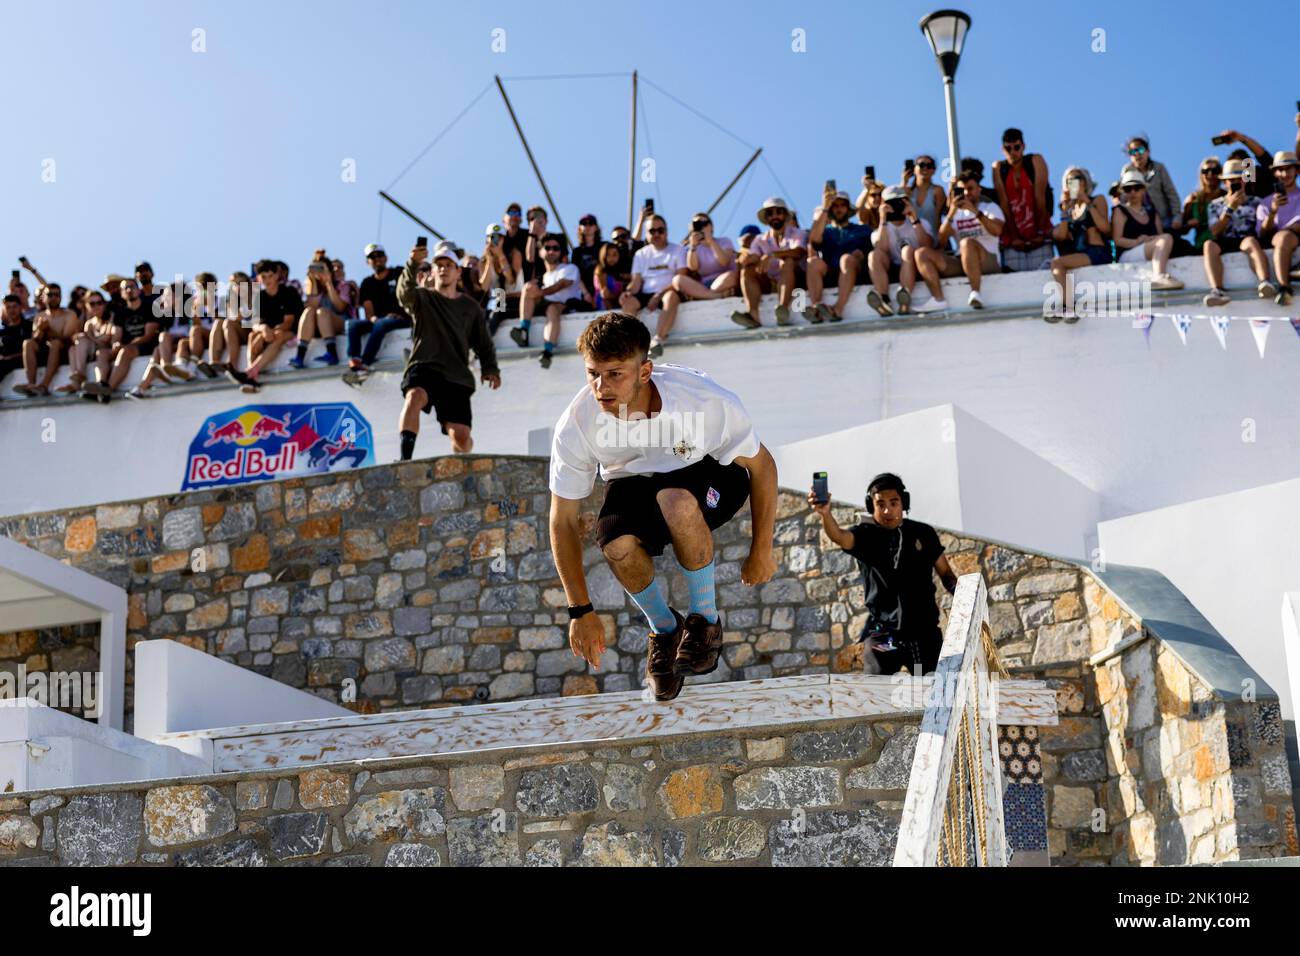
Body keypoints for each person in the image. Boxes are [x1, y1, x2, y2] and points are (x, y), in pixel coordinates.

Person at [547, 312, 777, 702]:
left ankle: (704, 621)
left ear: (644, 371)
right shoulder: (577, 422)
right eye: (593, 373)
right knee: (615, 543)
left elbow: (763, 467)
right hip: (632, 480)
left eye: (615, 374)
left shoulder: (701, 400)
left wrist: (762, 550)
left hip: (707, 471)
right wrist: (579, 610)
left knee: (676, 501)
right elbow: (563, 520)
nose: (601, 387)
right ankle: (665, 629)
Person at [808, 473, 957, 676]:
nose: (887, 510)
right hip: (885, 637)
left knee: (935, 692)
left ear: (903, 502)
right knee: (878, 691)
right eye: (880, 504)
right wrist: (825, 514)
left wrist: (964, 597)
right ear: (872, 506)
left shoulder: (923, 533)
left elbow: (946, 573)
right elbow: (839, 536)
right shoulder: (864, 536)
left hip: (923, 634)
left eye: (894, 502)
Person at [396, 241, 500, 458]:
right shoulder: (423, 298)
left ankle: (459, 455)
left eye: (448, 265)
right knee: (414, 396)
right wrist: (413, 263)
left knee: (461, 437)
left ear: (457, 271)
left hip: (456, 374)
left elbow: (483, 342)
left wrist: (490, 367)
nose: (443, 269)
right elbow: (403, 294)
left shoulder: (470, 307)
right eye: (439, 265)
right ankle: (404, 461)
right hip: (425, 365)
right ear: (433, 270)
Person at [915, 170, 1005, 313]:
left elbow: (997, 230)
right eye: (962, 189)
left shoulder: (990, 207)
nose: (966, 193)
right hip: (963, 261)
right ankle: (938, 300)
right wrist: (951, 212)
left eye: (970, 188)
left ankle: (976, 293)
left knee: (966, 243)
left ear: (979, 189)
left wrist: (975, 211)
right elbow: (941, 243)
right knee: (922, 254)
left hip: (988, 260)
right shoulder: (956, 213)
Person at [510, 234, 592, 368]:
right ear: (541, 252)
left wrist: (541, 292)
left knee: (552, 309)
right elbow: (527, 292)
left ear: (561, 251)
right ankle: (523, 329)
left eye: (555, 248)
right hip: (543, 304)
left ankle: (547, 351)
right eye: (547, 248)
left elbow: (561, 284)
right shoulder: (542, 277)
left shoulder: (569, 268)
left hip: (564, 305)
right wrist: (504, 297)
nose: (551, 251)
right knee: (528, 287)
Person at [225, 260, 305, 393]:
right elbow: (255, 323)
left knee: (278, 336)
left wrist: (268, 333)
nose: (267, 280)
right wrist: (263, 330)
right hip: (268, 332)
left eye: (270, 276)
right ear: (258, 278)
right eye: (263, 277)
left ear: (276, 276)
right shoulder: (259, 297)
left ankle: (250, 372)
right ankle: (252, 378)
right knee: (252, 336)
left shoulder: (288, 292)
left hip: (291, 332)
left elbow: (288, 322)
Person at [1201, 158, 1272, 306]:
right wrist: (1230, 208)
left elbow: (1261, 230)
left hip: (1248, 239)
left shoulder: (1256, 201)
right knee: (1209, 245)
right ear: (1225, 182)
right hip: (1224, 240)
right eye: (1230, 179)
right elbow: (1215, 231)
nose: (1235, 182)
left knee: (1251, 242)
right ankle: (1217, 290)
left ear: (1245, 180)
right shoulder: (1215, 205)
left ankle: (1265, 282)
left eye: (1238, 179)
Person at [1046, 167, 1112, 321]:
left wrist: (1086, 201)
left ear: (1085, 181)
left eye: (1077, 179)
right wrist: (1064, 210)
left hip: (1097, 252)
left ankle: (1068, 307)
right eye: (1069, 181)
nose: (1073, 184)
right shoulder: (1070, 211)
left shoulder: (1097, 200)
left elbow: (1105, 228)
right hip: (1079, 254)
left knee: (1057, 263)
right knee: (1057, 262)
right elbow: (1061, 235)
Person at [731, 197, 807, 329]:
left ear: (785, 215)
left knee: (787, 262)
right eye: (770, 214)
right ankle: (753, 315)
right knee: (747, 271)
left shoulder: (798, 233)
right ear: (766, 219)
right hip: (770, 282)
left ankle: (783, 309)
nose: (774, 216)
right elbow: (754, 257)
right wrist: (746, 259)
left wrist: (772, 255)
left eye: (778, 212)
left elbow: (798, 252)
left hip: (798, 282)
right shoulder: (760, 240)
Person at [618, 215, 686, 358]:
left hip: (669, 289)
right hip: (646, 292)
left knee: (671, 298)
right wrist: (628, 292)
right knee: (628, 303)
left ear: (666, 232)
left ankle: (658, 340)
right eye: (651, 231)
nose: (656, 234)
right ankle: (632, 345)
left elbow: (682, 277)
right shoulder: (640, 254)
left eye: (660, 230)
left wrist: (659, 295)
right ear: (646, 234)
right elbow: (636, 282)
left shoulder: (678, 250)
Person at [344, 243, 411, 383]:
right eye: (372, 257)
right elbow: (369, 311)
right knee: (353, 324)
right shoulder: (367, 283)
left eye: (379, 255)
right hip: (380, 321)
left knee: (381, 323)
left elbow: (411, 292)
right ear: (367, 262)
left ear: (386, 257)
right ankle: (355, 361)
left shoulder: (399, 272)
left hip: (403, 319)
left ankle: (365, 364)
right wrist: (374, 318)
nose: (377, 259)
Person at [82, 278, 158, 399]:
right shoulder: (120, 313)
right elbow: (117, 334)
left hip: (145, 346)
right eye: (125, 288)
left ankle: (108, 389)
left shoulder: (149, 308)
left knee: (125, 351)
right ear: (121, 293)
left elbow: (148, 335)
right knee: (102, 353)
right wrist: (116, 344)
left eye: (132, 287)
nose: (129, 290)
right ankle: (101, 383)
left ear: (138, 290)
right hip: (126, 347)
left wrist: (126, 345)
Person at [992, 128, 1053, 272]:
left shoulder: (1035, 161)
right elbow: (1004, 204)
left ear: (1023, 147)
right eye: (1008, 148)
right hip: (1013, 237)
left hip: (1039, 230)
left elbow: (1040, 197)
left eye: (1016, 147)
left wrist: (1039, 233)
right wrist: (1014, 237)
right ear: (1003, 149)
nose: (1012, 152)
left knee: (1045, 279)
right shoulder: (999, 168)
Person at [806, 188, 872, 321]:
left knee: (846, 259)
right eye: (835, 206)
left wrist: (861, 255)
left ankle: (838, 308)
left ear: (848, 209)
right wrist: (825, 208)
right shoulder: (826, 231)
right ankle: (816, 309)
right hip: (830, 271)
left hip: (854, 271)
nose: (839, 209)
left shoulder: (862, 230)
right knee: (812, 262)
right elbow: (813, 240)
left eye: (842, 205)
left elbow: (872, 251)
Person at [1112, 171, 1184, 290]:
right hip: (1127, 255)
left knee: (1166, 238)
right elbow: (1117, 240)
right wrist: (1138, 242)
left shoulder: (1152, 213)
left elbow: (1160, 237)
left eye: (1137, 187)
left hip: (1148, 251)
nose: (1133, 192)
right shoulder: (1119, 211)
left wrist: (1149, 240)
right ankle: (1159, 276)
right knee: (1166, 238)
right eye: (1128, 189)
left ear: (1144, 189)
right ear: (1123, 192)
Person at [865, 186, 929, 316]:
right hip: (892, 267)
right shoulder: (879, 231)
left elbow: (928, 246)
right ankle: (884, 300)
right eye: (891, 203)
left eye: (899, 202)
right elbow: (881, 249)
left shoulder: (921, 223)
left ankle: (904, 297)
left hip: (916, 266)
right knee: (873, 255)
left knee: (907, 250)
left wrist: (914, 218)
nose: (895, 206)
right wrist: (882, 219)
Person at [15, 284, 81, 397]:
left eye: (57, 295)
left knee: (55, 344)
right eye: (50, 294)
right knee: (28, 343)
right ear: (43, 297)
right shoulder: (39, 316)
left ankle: (44, 385)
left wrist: (49, 330)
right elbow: (35, 340)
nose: (54, 297)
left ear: (60, 297)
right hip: (45, 352)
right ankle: (31, 384)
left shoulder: (70, 314)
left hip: (63, 352)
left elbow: (66, 338)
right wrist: (39, 330)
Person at [1257, 151, 1300, 306]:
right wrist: (1273, 211)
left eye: (1289, 169)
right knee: (1283, 237)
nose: (1284, 173)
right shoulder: (1266, 202)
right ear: (1275, 173)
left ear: (1297, 170)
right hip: (1281, 239)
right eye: (1280, 169)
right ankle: (1284, 286)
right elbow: (1261, 233)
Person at [1119, 136, 1182, 236]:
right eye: (1132, 152)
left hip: (1165, 222)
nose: (1137, 154)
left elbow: (1171, 193)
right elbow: (1123, 197)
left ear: (1148, 151)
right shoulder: (1127, 171)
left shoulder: (1159, 168)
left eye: (1140, 149)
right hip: (1140, 225)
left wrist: (1177, 217)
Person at [290, 258, 347, 369]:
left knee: (322, 312)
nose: (319, 272)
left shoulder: (343, 285)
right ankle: (299, 356)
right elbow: (312, 307)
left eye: (322, 269)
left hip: (340, 323)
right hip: (319, 326)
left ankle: (332, 352)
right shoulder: (313, 288)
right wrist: (313, 281)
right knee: (310, 311)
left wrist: (328, 282)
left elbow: (340, 308)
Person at [671, 212, 738, 304]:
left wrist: (711, 242)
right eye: (697, 225)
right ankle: (717, 296)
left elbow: (724, 261)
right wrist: (693, 247)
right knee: (678, 280)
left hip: (723, 282)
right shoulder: (693, 248)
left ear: (712, 226)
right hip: (703, 285)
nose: (701, 227)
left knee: (731, 276)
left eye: (704, 224)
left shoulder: (724, 241)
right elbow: (693, 267)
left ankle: (704, 296)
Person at [75, 290, 122, 403]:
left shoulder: (112, 317)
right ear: (87, 306)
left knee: (101, 352)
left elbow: (115, 337)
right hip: (96, 353)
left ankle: (100, 386)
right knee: (79, 341)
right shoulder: (89, 324)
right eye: (92, 304)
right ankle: (81, 374)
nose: (96, 306)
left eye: (99, 303)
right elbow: (94, 342)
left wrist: (112, 342)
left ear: (104, 304)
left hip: (110, 352)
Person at [207, 271, 253, 377]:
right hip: (233, 331)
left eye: (240, 282)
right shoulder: (230, 301)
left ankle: (232, 363)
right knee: (219, 322)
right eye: (234, 283)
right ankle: (214, 362)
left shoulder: (256, 297)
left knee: (228, 323)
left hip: (249, 331)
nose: (237, 286)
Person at [1181, 157, 1224, 254]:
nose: (1210, 174)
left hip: (1224, 243)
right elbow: (1182, 229)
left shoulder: (1227, 196)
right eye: (1206, 171)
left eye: (1215, 171)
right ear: (1201, 174)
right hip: (1202, 245)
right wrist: (1188, 223)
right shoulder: (1194, 198)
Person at [901, 154, 948, 239]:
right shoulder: (907, 191)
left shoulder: (937, 191)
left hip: (932, 238)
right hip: (911, 239)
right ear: (914, 169)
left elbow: (939, 217)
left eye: (929, 166)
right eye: (921, 165)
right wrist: (904, 181)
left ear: (934, 170)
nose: (925, 168)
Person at [0, 295, 32, 393]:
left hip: (23, 361)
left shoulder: (29, 326)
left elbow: (34, 349)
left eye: (14, 306)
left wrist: (10, 358)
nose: (11, 310)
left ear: (21, 307)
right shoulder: (2, 332)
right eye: (8, 307)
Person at [571, 214, 603, 305]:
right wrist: (585, 293)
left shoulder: (604, 247)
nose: (587, 226)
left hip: (603, 290)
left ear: (596, 227)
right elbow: (576, 274)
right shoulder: (577, 252)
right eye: (584, 224)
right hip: (585, 293)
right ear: (580, 228)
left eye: (591, 223)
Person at [592, 242, 627, 310]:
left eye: (614, 254)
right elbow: (605, 295)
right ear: (603, 255)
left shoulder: (620, 273)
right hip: (604, 308)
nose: (611, 258)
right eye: (608, 255)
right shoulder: (601, 270)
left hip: (618, 307)